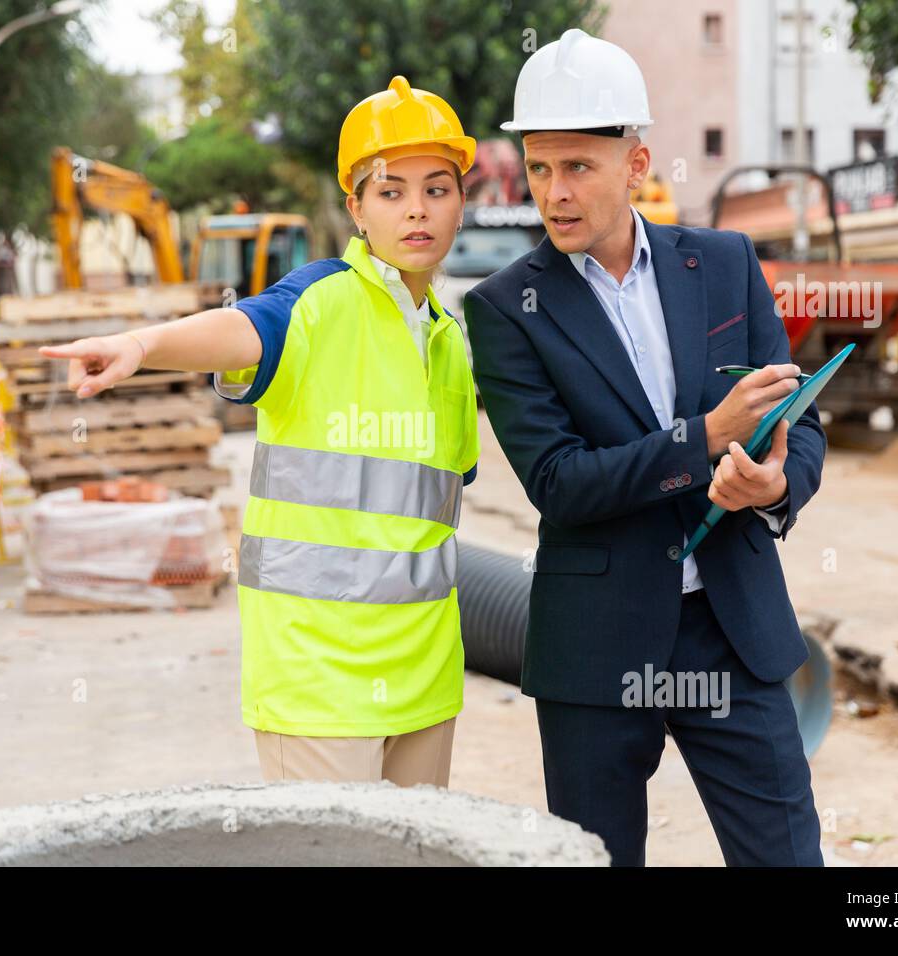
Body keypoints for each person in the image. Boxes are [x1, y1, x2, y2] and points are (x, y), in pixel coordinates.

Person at [40, 76, 480, 788]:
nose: (417, 209)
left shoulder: (450, 342)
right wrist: (145, 346)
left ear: (462, 201)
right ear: (357, 210)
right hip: (317, 681)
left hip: (426, 679)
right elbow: (242, 329)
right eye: (391, 191)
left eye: (437, 188)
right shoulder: (317, 302)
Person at [462, 29, 825, 865]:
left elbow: (797, 419)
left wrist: (771, 484)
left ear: (636, 165)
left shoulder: (727, 263)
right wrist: (705, 440)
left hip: (731, 627)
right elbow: (558, 482)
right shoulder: (505, 307)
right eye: (540, 167)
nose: (553, 192)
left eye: (578, 167)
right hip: (596, 644)